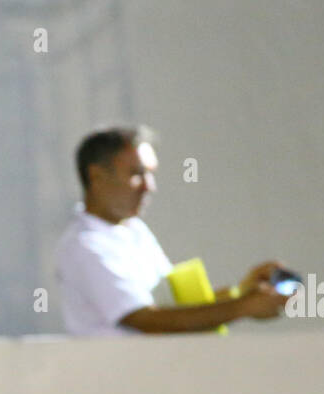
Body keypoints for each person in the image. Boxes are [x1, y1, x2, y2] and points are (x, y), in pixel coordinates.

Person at [56, 126, 289, 335]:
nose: (150, 187)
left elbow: (176, 306)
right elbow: (147, 320)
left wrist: (241, 292)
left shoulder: (135, 230)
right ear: (96, 176)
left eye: (151, 174)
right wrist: (243, 307)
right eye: (137, 174)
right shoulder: (84, 245)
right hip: (116, 379)